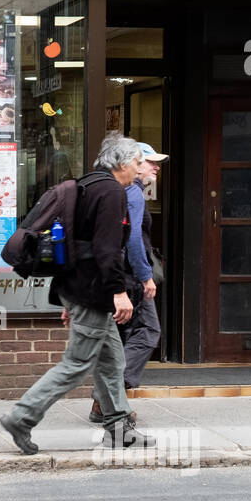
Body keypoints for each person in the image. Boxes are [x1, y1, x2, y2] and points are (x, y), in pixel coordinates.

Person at [0, 134, 156, 452]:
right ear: (123, 163)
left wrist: (72, 298)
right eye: (138, 162)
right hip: (93, 291)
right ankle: (22, 417)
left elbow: (78, 245)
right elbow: (107, 250)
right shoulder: (112, 192)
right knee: (78, 362)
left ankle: (119, 427)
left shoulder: (88, 184)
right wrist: (119, 293)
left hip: (81, 289)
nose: (141, 169)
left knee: (112, 360)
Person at [88, 141, 169, 424]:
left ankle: (105, 402)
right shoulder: (132, 192)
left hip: (111, 276)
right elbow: (133, 239)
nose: (155, 167)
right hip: (129, 277)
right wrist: (146, 276)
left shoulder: (109, 189)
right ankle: (108, 399)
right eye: (149, 162)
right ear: (133, 162)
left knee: (118, 338)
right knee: (148, 331)